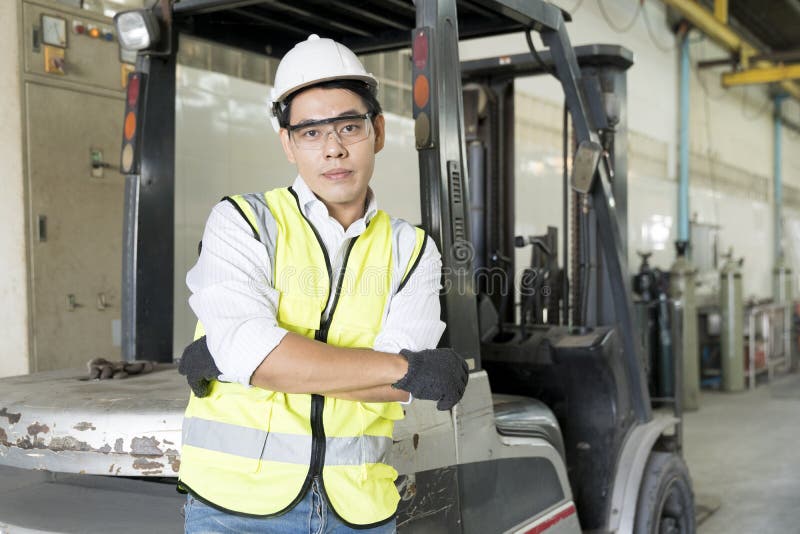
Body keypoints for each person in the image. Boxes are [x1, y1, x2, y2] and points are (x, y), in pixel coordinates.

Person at [177, 35, 469, 534]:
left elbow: (394, 391)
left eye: (349, 127)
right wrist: (404, 367)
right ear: (288, 144)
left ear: (377, 131)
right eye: (310, 133)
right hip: (236, 508)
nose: (333, 149)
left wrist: (244, 362)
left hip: (359, 508)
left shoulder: (412, 249)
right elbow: (400, 373)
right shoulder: (244, 221)